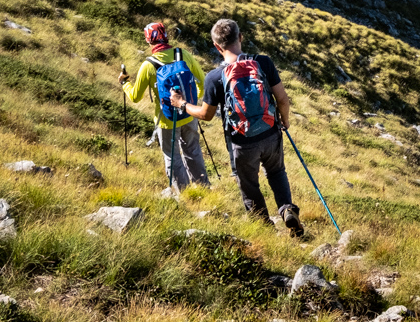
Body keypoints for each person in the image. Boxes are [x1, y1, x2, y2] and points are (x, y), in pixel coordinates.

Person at [171, 18, 304, 236]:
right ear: (240, 38)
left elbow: (206, 114)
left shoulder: (215, 77)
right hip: (271, 132)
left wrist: (182, 104)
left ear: (217, 47)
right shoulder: (263, 62)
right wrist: (284, 120)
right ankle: (287, 209)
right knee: (277, 171)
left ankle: (263, 229)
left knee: (249, 184)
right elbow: (282, 99)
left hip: (241, 142)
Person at [121, 22, 209, 192]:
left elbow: (135, 97)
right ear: (166, 36)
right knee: (193, 150)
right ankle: (204, 189)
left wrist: (125, 83)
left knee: (172, 156)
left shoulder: (148, 65)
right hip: (189, 113)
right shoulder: (184, 54)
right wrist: (190, 100)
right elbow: (203, 82)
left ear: (149, 41)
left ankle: (184, 194)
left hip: (166, 119)